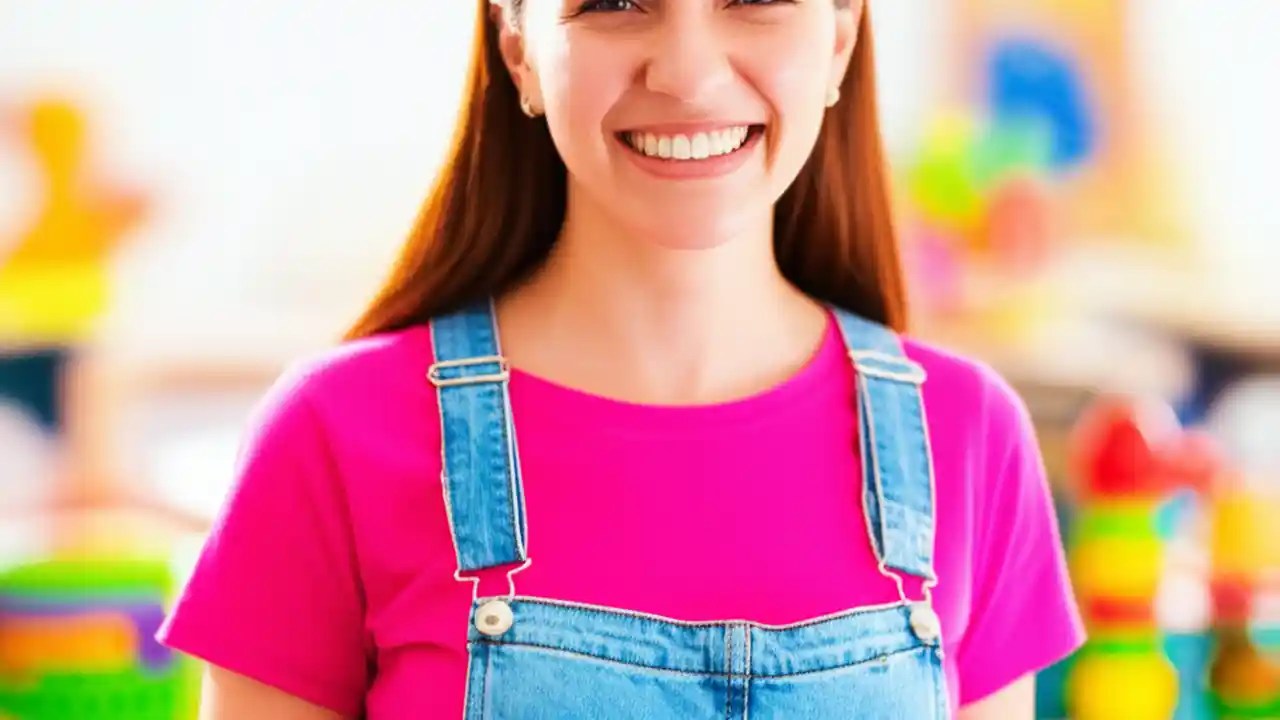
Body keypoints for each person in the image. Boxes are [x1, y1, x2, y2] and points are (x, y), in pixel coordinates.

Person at [158, 0, 1085, 717]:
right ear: (518, 45)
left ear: (840, 39)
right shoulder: (334, 436)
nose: (685, 72)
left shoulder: (966, 436)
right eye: (612, 0)